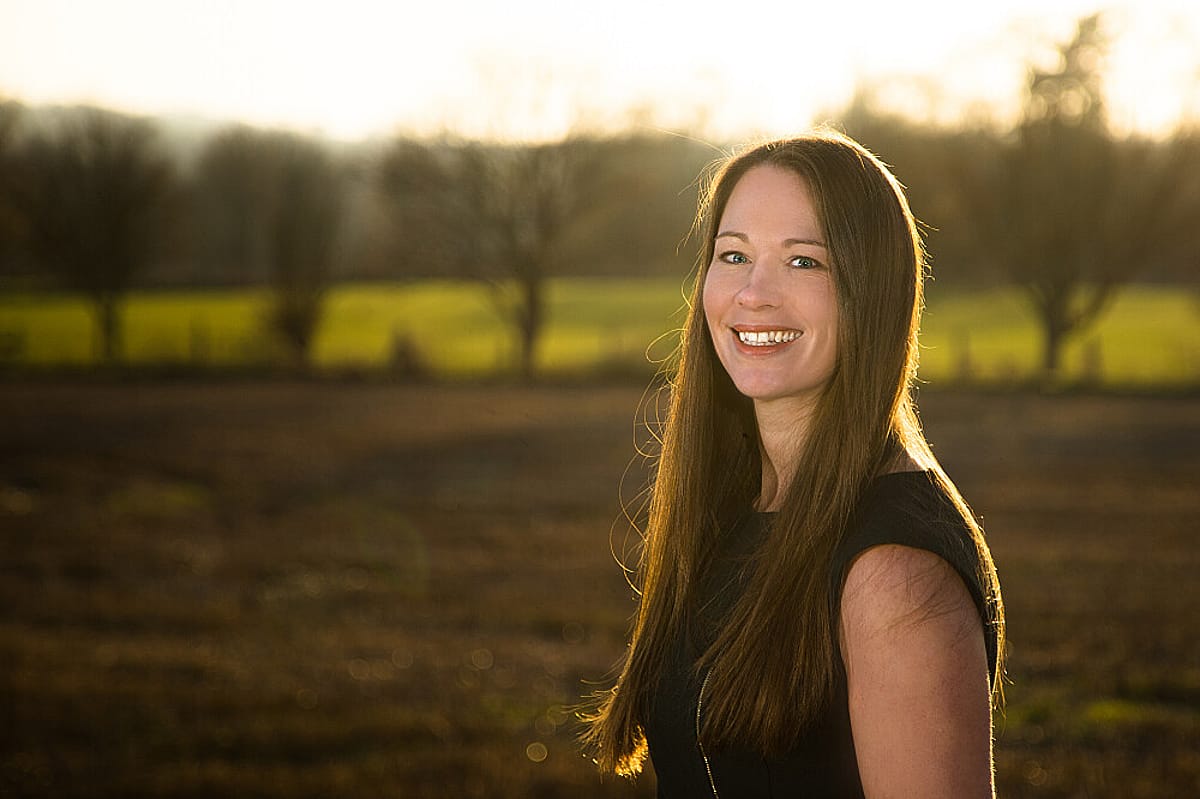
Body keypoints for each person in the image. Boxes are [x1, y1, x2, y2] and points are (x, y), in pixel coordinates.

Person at [581, 131, 1006, 798]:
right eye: (734, 255)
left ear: (871, 291)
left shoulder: (894, 575)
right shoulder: (734, 508)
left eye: (804, 262)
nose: (753, 293)